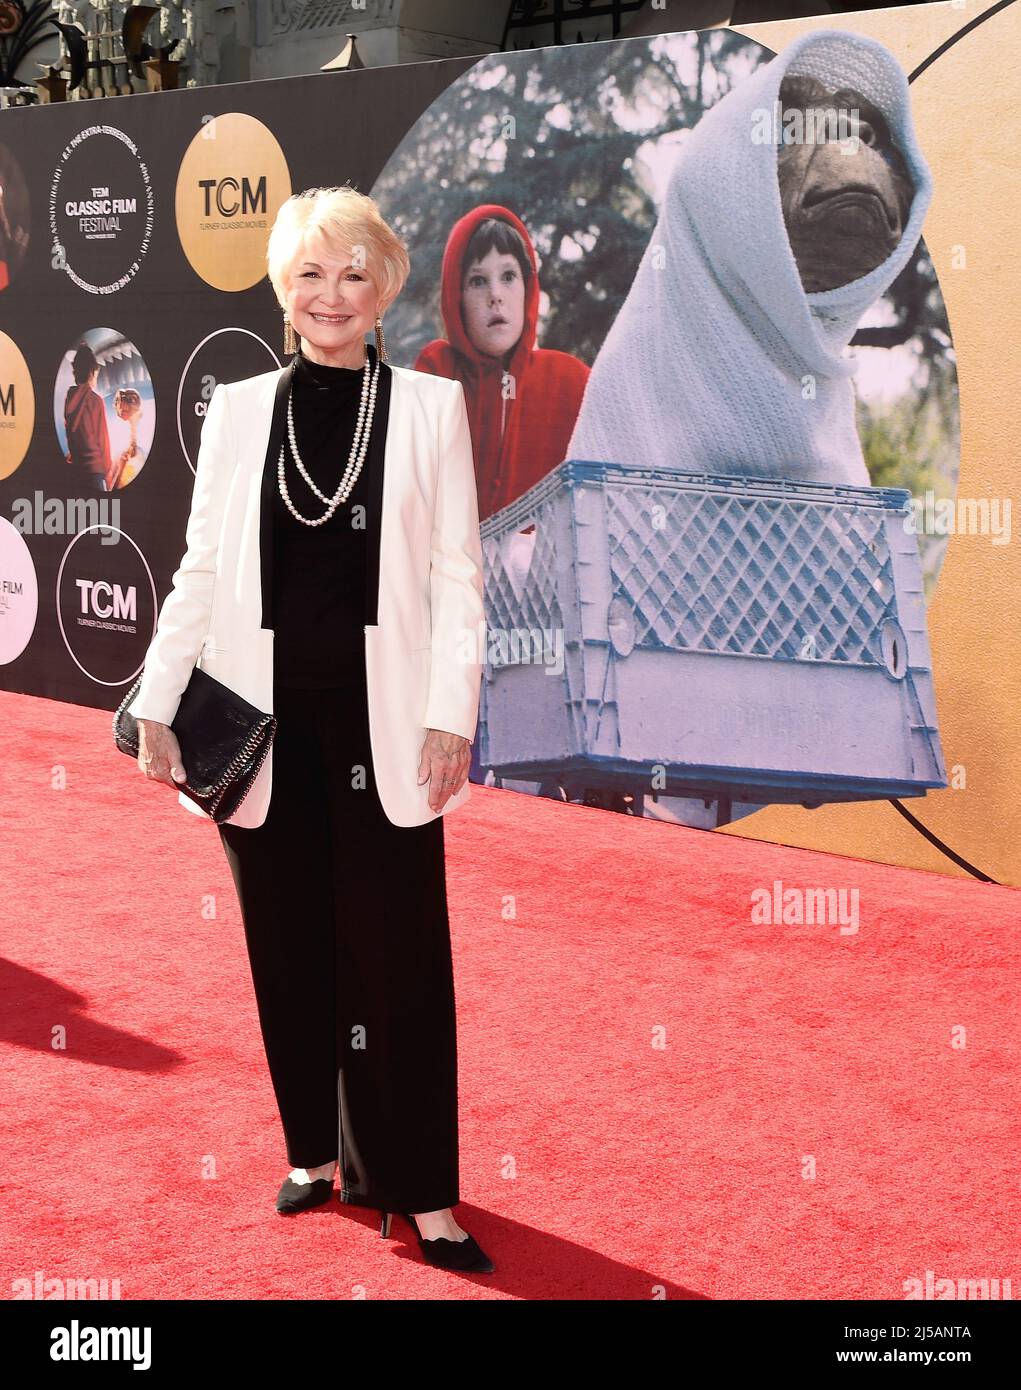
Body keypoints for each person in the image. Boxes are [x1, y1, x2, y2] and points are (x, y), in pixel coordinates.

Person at [126, 185, 493, 1274]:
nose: (329, 297)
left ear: (381, 288)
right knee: (287, 949)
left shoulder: (429, 409)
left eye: (351, 275)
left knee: (400, 961)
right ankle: (314, 1152)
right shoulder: (238, 410)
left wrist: (448, 713)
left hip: (385, 726)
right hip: (261, 725)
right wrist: (156, 701)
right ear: (281, 292)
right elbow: (199, 570)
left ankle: (422, 1191)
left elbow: (460, 580)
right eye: (307, 276)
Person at [414, 204, 589, 521]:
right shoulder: (437, 373)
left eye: (508, 276)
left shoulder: (570, 380)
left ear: (528, 289)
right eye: (478, 281)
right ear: (457, 299)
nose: (495, 294)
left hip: (550, 567)